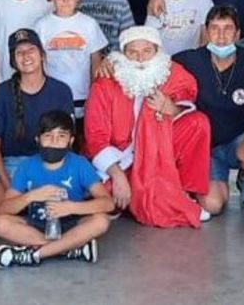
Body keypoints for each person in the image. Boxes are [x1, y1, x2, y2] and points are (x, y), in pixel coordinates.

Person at [83, 27, 211, 228]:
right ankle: (148, 195)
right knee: (107, 197)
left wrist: (172, 108)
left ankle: (181, 193)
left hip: (160, 154)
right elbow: (95, 138)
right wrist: (118, 176)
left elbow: (187, 96)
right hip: (123, 160)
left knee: (198, 122)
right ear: (122, 54)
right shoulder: (106, 83)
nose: (140, 59)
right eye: (132, 52)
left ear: (157, 52)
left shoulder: (171, 72)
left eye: (146, 51)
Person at [0, 30, 74, 239]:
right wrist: (9, 186)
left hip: (49, 166)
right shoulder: (1, 93)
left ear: (42, 55)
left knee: (68, 219)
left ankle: (28, 231)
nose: (26, 56)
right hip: (10, 167)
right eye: (19, 53)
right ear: (12, 61)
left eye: (31, 50)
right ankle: (36, 230)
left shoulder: (61, 90)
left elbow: (66, 142)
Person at [0, 110, 114, 269]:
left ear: (70, 141)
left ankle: (34, 255)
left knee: (101, 221)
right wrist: (31, 196)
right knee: (0, 224)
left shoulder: (80, 164)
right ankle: (68, 248)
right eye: (48, 135)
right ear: (38, 139)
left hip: (71, 224)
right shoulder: (27, 166)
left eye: (61, 136)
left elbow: (108, 204)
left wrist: (70, 207)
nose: (54, 141)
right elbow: (3, 209)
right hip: (37, 226)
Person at [173, 6, 244, 215]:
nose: (221, 36)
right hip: (205, 149)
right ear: (206, 32)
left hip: (238, 142)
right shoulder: (188, 60)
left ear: (238, 34)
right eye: (214, 29)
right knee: (212, 205)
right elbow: (150, 63)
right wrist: (112, 63)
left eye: (228, 29)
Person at [35, 0, 108, 118]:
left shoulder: (89, 24)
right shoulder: (42, 25)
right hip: (52, 94)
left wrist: (94, 93)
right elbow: (39, 62)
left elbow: (95, 60)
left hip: (82, 94)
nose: (65, 1)